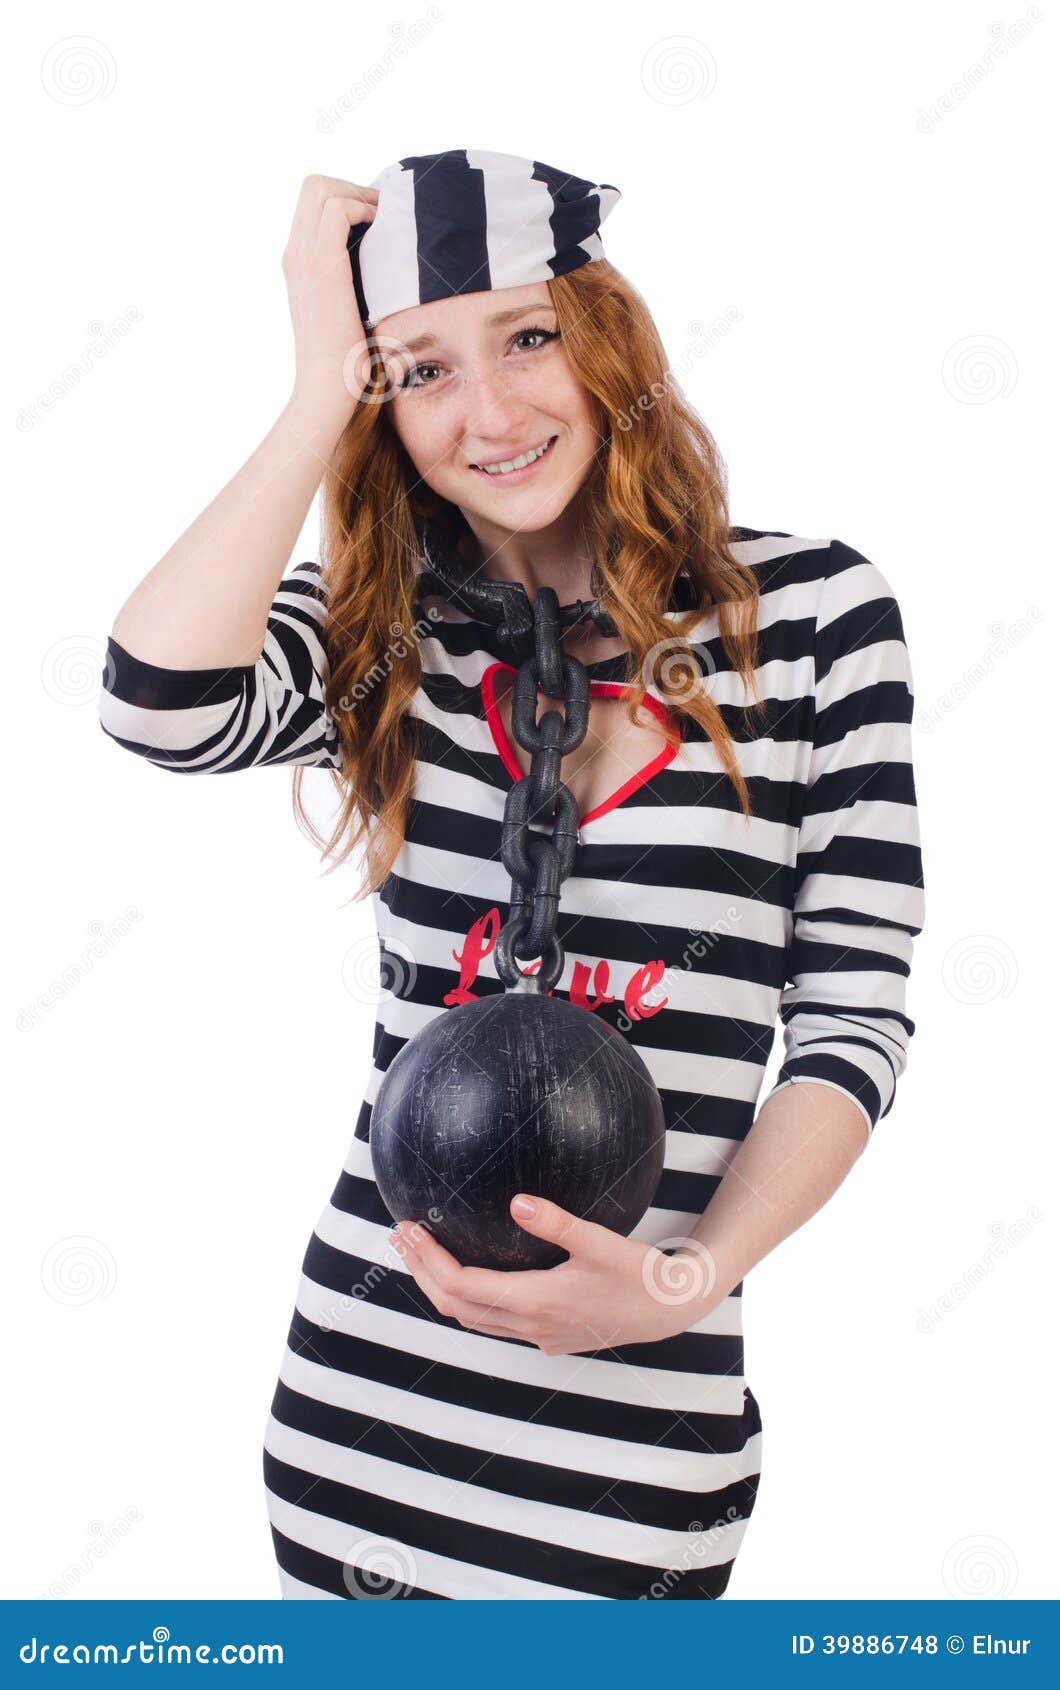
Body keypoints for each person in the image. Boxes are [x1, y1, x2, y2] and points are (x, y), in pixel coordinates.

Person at [97, 149, 925, 1600]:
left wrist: (685, 1275)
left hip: (625, 1468)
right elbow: (154, 699)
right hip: (357, 1423)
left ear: (608, 339)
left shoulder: (811, 621)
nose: (489, 415)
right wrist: (310, 392)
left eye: (529, 338)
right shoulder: (388, 630)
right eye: (417, 369)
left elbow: (852, 1022)